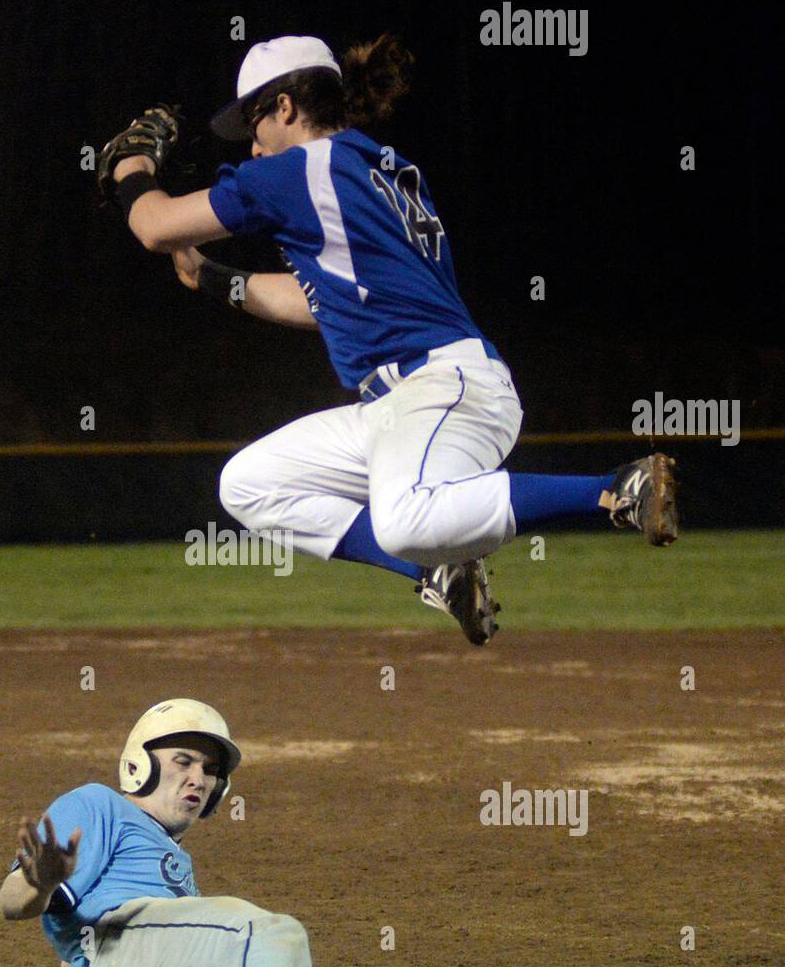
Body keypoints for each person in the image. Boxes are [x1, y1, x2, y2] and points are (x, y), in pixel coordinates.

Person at [97, 34, 679, 645]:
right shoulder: (369, 168)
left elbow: (155, 225)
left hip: (444, 386)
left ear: (288, 107)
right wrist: (210, 278)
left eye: (255, 119)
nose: (252, 142)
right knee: (250, 482)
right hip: (398, 404)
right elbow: (323, 303)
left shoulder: (302, 169)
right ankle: (439, 571)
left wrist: (130, 168)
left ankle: (615, 490)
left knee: (405, 518)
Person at [0, 698, 395, 967]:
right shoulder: (98, 804)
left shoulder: (177, 866)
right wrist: (40, 883)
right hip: (125, 957)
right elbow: (11, 903)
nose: (198, 779)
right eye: (183, 761)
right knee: (270, 931)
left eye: (209, 770)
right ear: (142, 764)